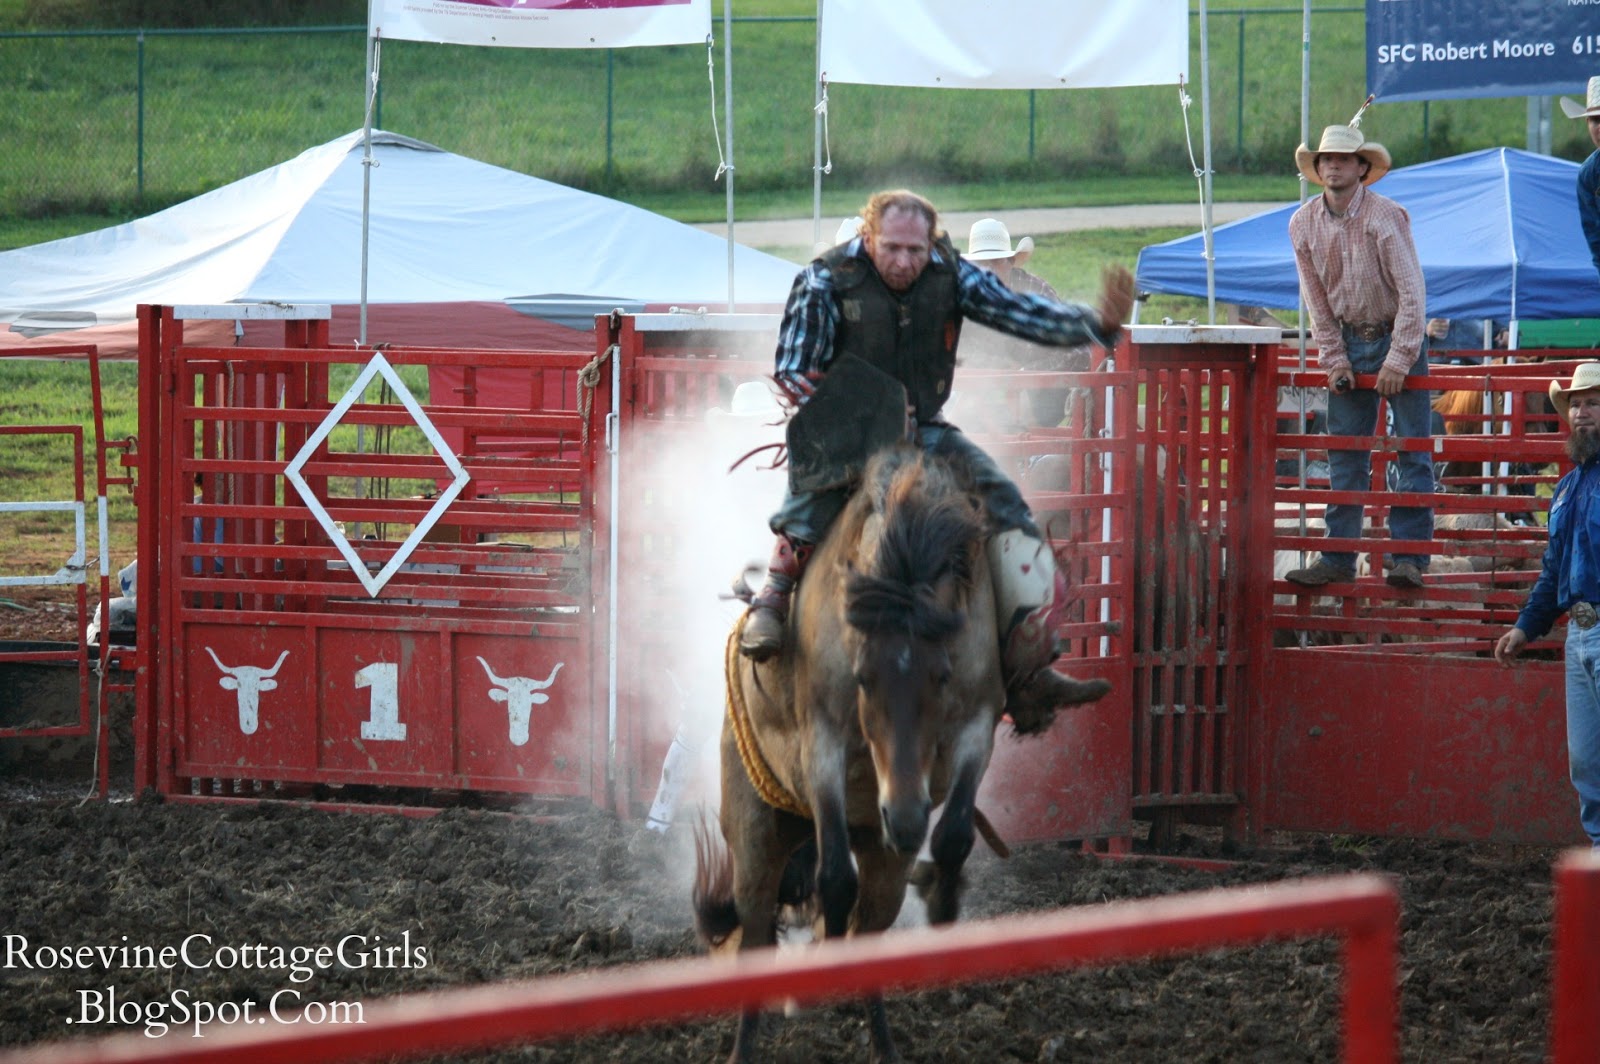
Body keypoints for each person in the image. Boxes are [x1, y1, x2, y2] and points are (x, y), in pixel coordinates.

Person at [739, 189, 1135, 720]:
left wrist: (1092, 323)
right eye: (893, 248)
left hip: (923, 427)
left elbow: (1015, 310)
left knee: (1006, 501)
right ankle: (775, 592)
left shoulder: (948, 273)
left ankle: (1025, 657)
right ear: (868, 239)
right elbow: (792, 370)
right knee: (810, 500)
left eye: (915, 250)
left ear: (931, 245)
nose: (905, 262)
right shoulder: (824, 280)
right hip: (842, 422)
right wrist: (864, 408)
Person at [1284, 123, 1432, 591]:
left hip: (1394, 332)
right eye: (1326, 159)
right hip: (1348, 338)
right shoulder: (1302, 224)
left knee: (1412, 448)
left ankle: (1408, 559)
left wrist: (1399, 358)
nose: (1333, 165)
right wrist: (1334, 359)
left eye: (1343, 159)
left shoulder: (1385, 216)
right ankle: (1338, 557)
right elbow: (1315, 300)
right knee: (1345, 454)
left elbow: (1412, 292)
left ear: (1361, 167)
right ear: (1317, 167)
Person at [1494, 361, 1600, 849]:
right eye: (1576, 405)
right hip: (1578, 632)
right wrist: (1525, 627)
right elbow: (1553, 569)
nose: (1582, 413)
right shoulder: (1566, 487)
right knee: (1586, 761)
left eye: (1593, 403)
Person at [960, 217, 1091, 429]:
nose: (989, 272)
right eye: (982, 264)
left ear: (1010, 262)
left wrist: (1027, 376)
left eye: (996, 262)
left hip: (1039, 394)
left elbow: (1078, 350)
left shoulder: (1035, 292)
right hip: (983, 394)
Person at [1561, 75, 1600, 283]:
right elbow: (1595, 239)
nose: (1599, 127)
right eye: (1595, 120)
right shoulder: (1589, 174)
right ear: (1587, 123)